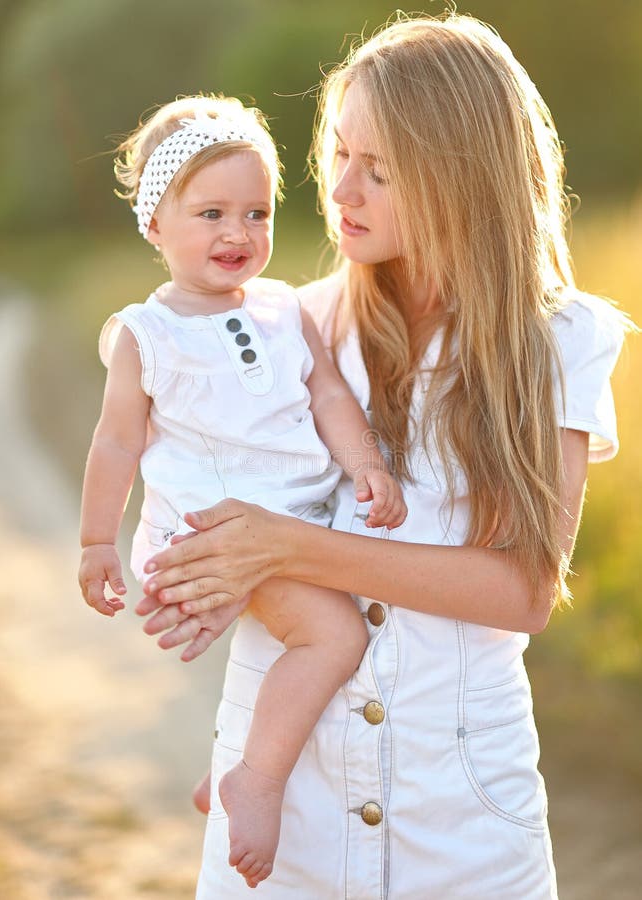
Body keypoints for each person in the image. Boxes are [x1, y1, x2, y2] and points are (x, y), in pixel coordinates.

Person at [137, 12, 631, 900]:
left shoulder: (559, 340)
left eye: (380, 169)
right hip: (284, 799)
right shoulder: (284, 326)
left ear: (461, 175)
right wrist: (196, 571)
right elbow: (186, 472)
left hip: (464, 811)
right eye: (337, 157)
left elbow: (521, 592)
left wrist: (286, 547)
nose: (343, 191)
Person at [77, 93, 407, 889]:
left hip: (296, 517)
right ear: (155, 223)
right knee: (333, 639)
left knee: (307, 640)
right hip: (213, 532)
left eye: (256, 213)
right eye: (211, 213)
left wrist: (364, 463)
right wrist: (96, 541)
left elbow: (329, 395)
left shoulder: (284, 307)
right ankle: (252, 781)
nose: (238, 233)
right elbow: (117, 441)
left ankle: (232, 758)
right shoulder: (146, 335)